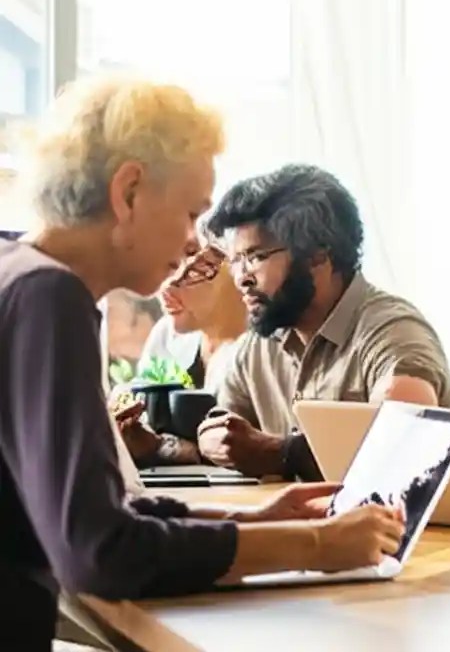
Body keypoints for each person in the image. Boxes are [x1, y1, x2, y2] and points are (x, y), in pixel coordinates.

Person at [1, 74, 405, 649]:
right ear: (129, 192)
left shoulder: (14, 272)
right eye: (192, 214)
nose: (196, 244)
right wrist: (315, 547)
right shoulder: (48, 299)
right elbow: (98, 551)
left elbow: (98, 513)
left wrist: (257, 520)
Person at [197, 164, 450, 481]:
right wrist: (213, 439)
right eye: (235, 260)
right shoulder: (261, 341)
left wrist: (282, 455)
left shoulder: (393, 332)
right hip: (302, 528)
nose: (241, 279)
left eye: (256, 257)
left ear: (318, 255)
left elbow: (402, 444)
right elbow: (227, 428)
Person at [113, 235, 247, 467]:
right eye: (166, 271)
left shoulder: (263, 349)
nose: (166, 289)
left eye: (189, 273)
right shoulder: (166, 337)